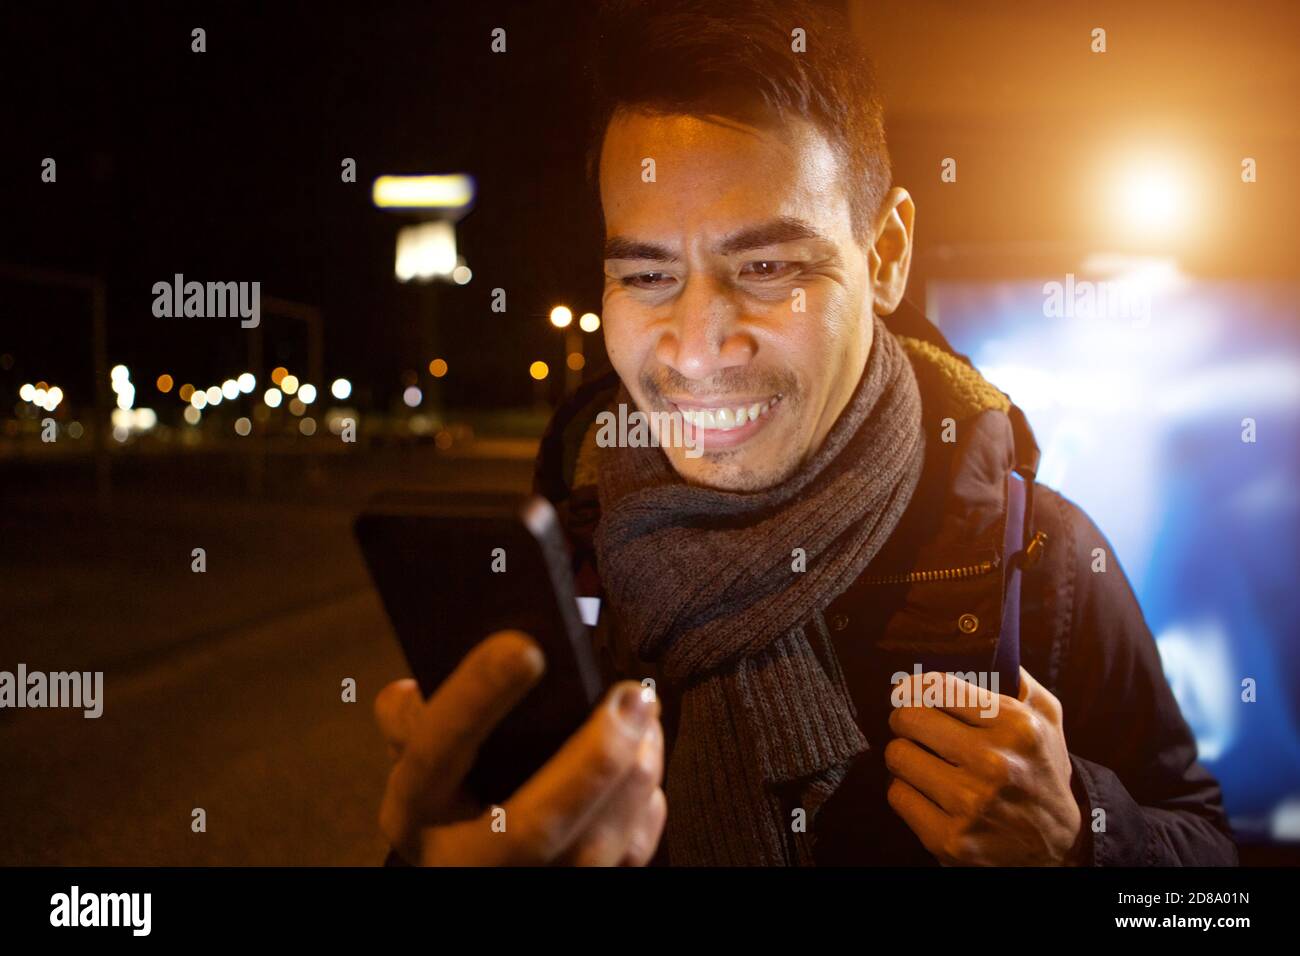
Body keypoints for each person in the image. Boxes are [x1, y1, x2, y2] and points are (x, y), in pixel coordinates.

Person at [373, 0, 1237, 866]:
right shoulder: (566, 564)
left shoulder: (1040, 558)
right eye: (646, 273)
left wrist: (1083, 833)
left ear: (887, 253)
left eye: (768, 267)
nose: (699, 344)